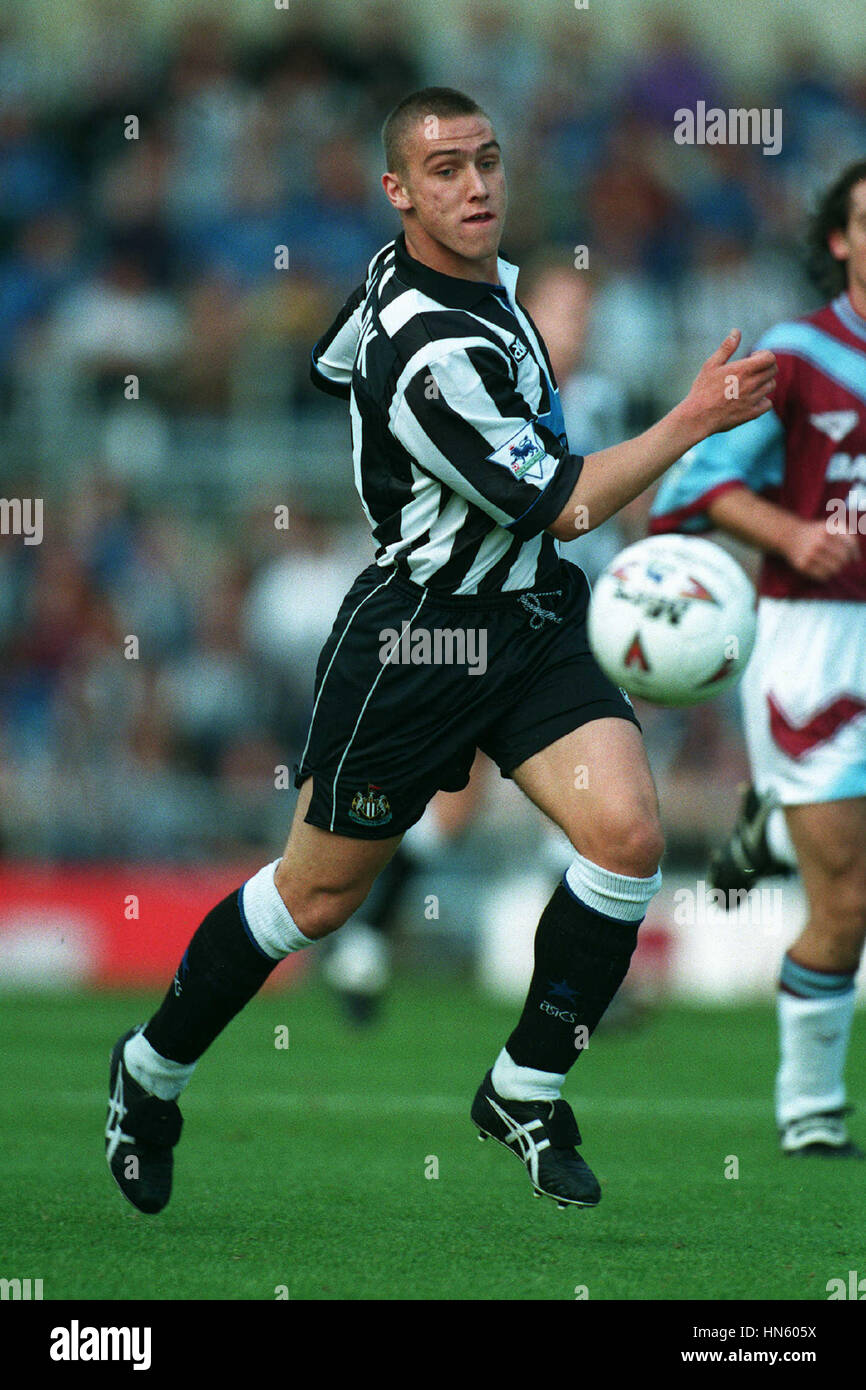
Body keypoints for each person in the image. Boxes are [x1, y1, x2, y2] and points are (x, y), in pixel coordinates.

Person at [105, 87, 775, 1214]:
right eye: (445, 170)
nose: (474, 187)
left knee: (626, 838)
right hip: (422, 641)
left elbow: (329, 361)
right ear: (398, 190)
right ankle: (148, 1071)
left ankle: (523, 1083)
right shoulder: (430, 355)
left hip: (529, 619)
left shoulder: (462, 283)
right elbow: (561, 506)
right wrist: (691, 418)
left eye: (486, 162)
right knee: (312, 900)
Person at [649, 160, 866, 1158]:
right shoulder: (795, 353)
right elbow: (690, 484)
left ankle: (774, 834)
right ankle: (808, 1107)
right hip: (818, 639)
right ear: (838, 241)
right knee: (847, 901)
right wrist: (787, 535)